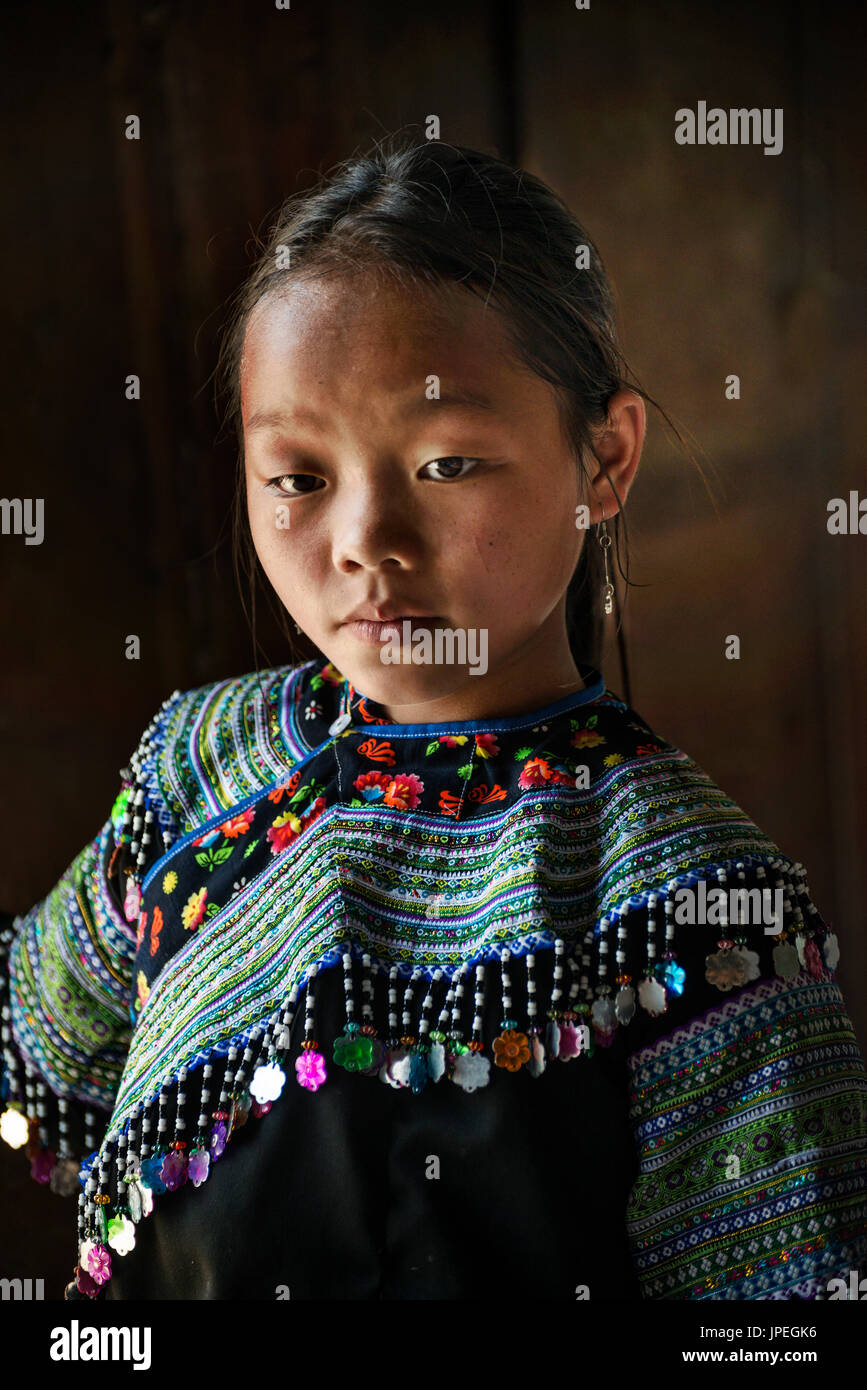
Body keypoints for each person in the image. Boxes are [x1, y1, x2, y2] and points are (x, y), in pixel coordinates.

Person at [2, 136, 865, 1302]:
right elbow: (38, 1049)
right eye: (299, 478)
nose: (365, 538)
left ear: (601, 458)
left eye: (448, 462)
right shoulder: (202, 768)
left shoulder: (695, 900)